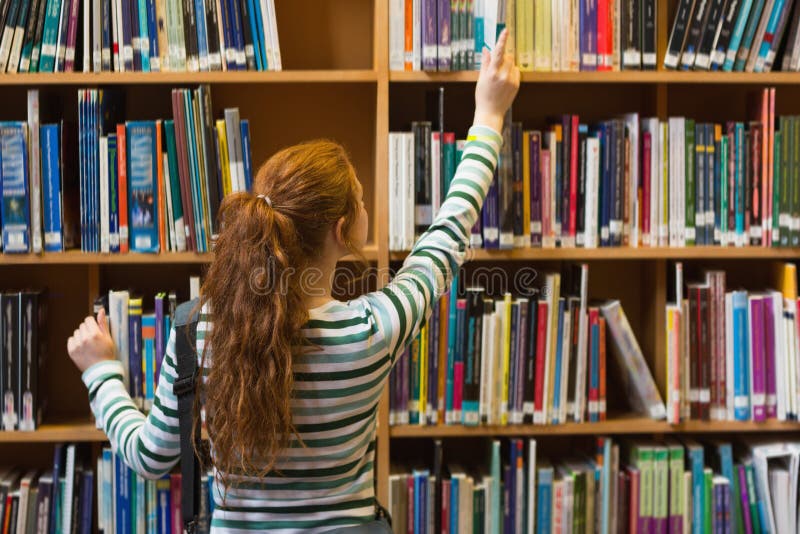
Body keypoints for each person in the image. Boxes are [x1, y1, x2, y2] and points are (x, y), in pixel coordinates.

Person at [67, 30, 520, 533]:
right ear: (343, 230)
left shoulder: (199, 332)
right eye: (362, 199)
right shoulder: (372, 331)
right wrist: (489, 114)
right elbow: (450, 229)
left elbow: (148, 457)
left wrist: (100, 371)